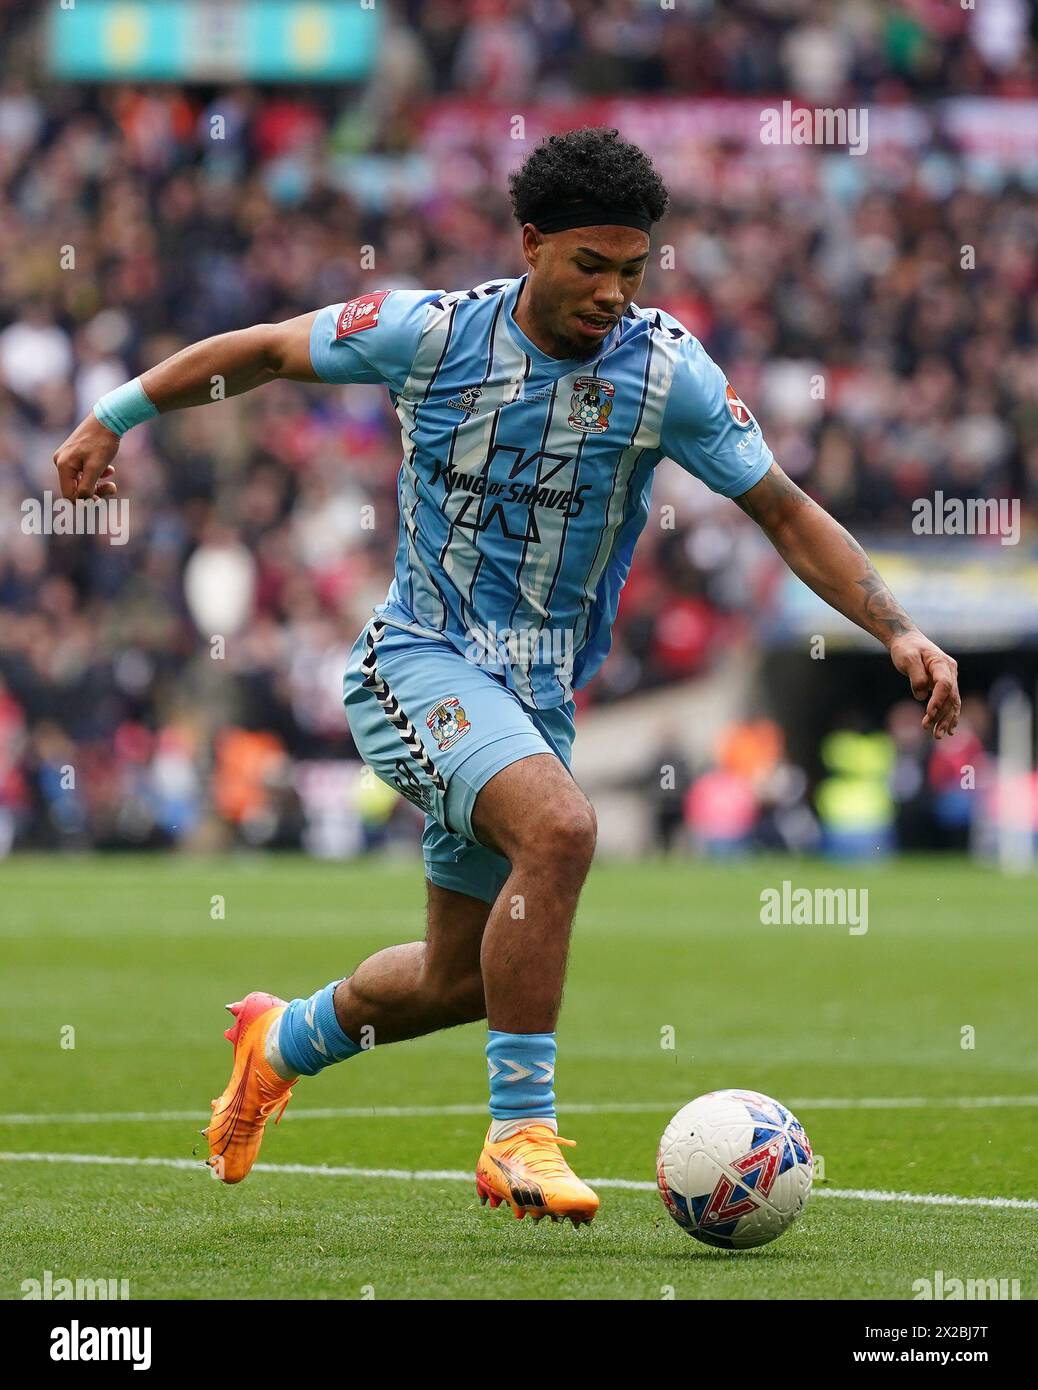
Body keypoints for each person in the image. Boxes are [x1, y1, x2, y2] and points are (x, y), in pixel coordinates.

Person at [52, 127, 960, 1226]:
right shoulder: (429, 333)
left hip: (534, 700)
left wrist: (897, 626)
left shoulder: (666, 370)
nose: (614, 294)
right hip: (415, 662)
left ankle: (276, 1039)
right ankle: (519, 1134)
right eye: (591, 265)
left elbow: (782, 509)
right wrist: (116, 415)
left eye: (634, 269)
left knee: (465, 976)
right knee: (564, 831)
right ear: (531, 243)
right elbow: (268, 350)